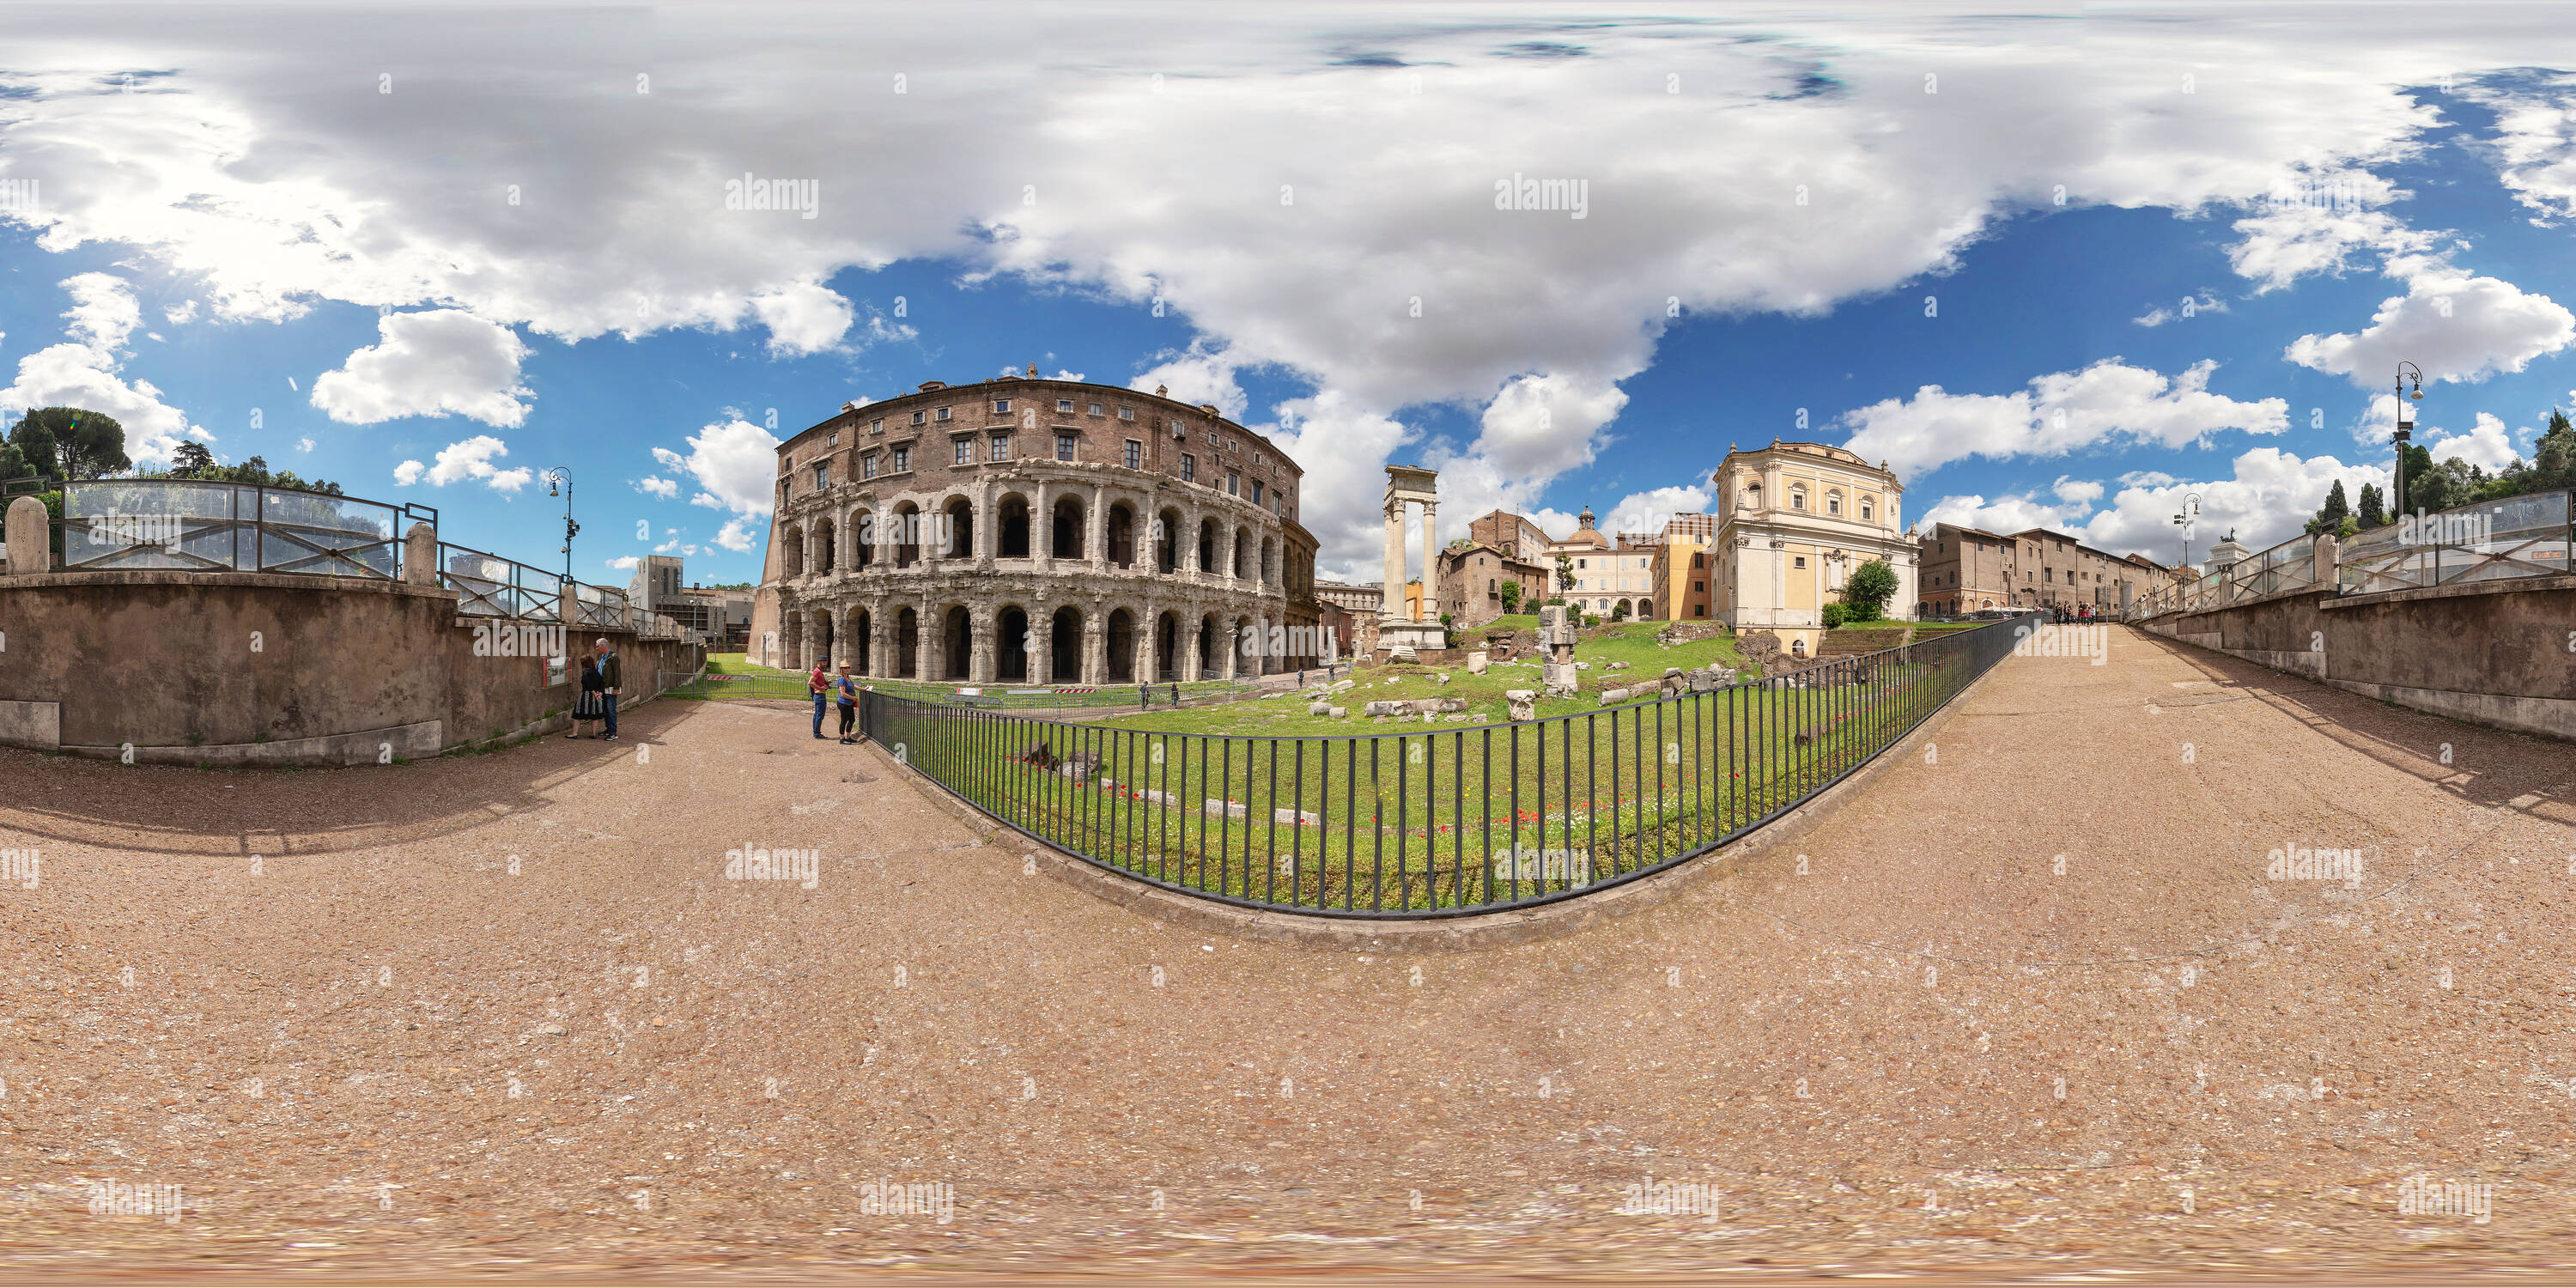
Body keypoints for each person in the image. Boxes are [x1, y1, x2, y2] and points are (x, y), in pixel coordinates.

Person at [568, 650, 605, 738]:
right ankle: (594, 734)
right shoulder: (597, 673)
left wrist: (594, 693)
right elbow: (602, 684)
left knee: (577, 714)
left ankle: (574, 734)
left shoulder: (586, 672)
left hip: (586, 695)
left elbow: (587, 683)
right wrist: (599, 694)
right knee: (594, 716)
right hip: (596, 697)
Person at [592, 637, 622, 741]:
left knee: (610, 709)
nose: (596, 649)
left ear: (602, 646)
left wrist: (616, 688)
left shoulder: (613, 657)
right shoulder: (602, 657)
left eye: (597, 646)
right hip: (602, 688)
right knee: (605, 710)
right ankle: (608, 729)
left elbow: (617, 674)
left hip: (610, 688)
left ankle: (613, 732)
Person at [835, 664, 860, 743]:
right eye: (845, 668)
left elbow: (853, 686)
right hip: (843, 703)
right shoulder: (842, 679)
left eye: (848, 668)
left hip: (849, 704)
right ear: (841, 669)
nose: (847, 669)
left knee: (852, 719)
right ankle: (842, 739)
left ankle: (848, 737)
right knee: (844, 721)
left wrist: (863, 689)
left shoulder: (848, 678)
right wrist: (853, 698)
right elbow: (843, 693)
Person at [808, 659, 829, 739]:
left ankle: (816, 732)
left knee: (817, 715)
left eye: (826, 662)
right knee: (820, 715)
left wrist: (826, 682)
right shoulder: (817, 671)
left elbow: (816, 682)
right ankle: (817, 734)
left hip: (819, 696)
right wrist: (820, 688)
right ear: (819, 662)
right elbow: (810, 682)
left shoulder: (818, 671)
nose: (825, 664)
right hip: (820, 696)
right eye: (824, 662)